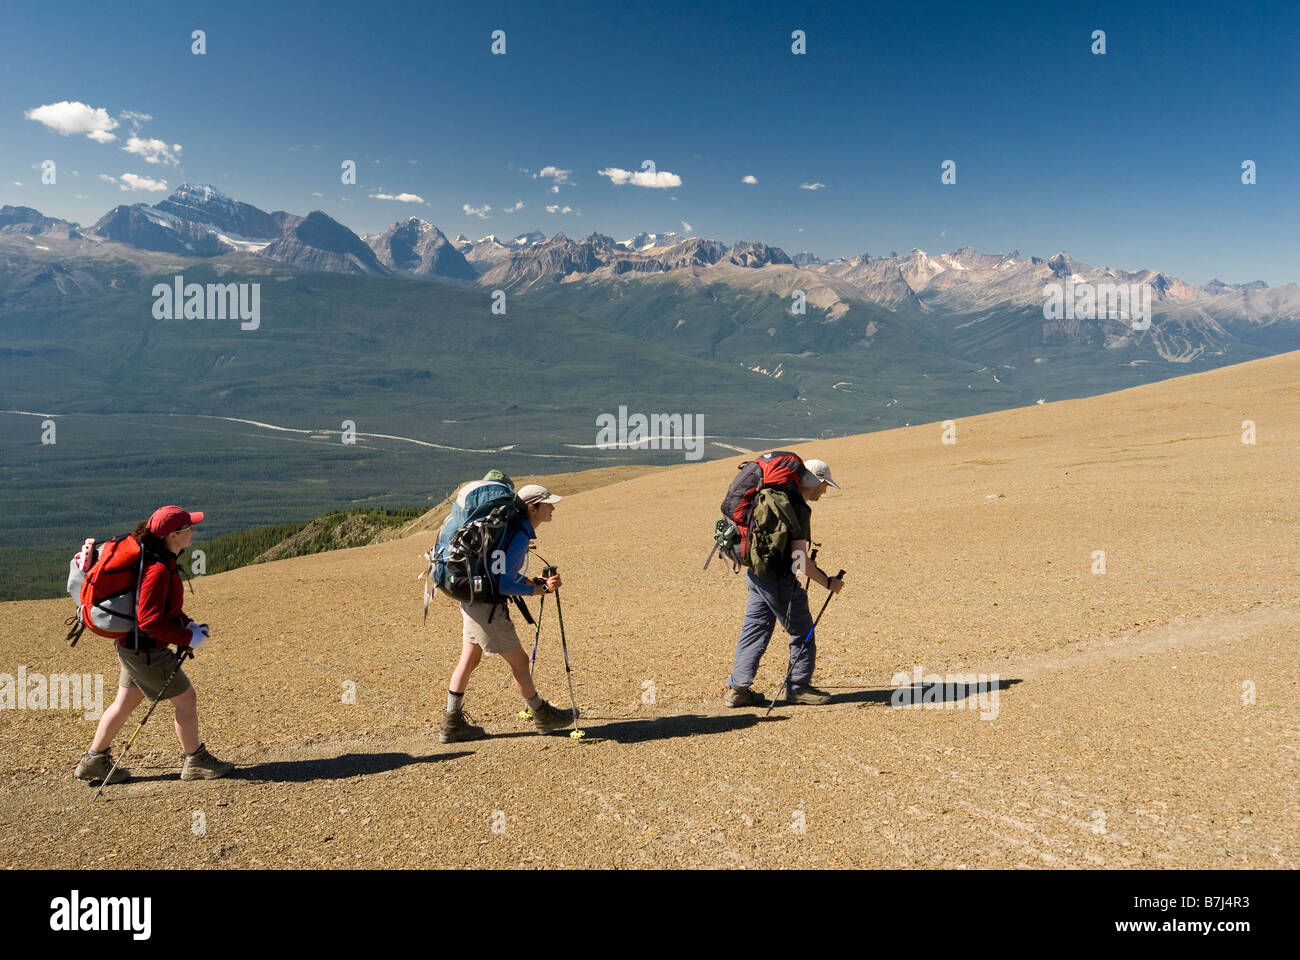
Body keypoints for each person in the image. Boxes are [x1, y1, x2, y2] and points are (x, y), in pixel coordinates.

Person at [73, 505, 235, 784]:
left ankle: (94, 761)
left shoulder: (157, 559)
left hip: (131, 646)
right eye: (188, 528)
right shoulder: (158, 569)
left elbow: (163, 610)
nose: (193, 531)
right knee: (186, 700)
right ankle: (195, 761)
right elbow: (149, 620)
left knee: (124, 702)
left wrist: (187, 624)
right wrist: (188, 637)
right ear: (173, 535)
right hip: (147, 650)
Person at [440, 483, 577, 741]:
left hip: (471, 597)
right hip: (488, 609)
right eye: (547, 504)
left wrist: (531, 583)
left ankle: (452, 722)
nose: (553, 508)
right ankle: (541, 715)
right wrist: (540, 591)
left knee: (469, 659)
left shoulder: (510, 531)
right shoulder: (518, 536)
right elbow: (503, 584)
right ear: (532, 508)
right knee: (521, 662)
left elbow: (501, 574)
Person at [724, 458, 845, 707]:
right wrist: (827, 582)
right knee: (803, 631)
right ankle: (798, 688)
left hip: (757, 574)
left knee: (754, 629)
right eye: (824, 485)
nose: (825, 491)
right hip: (779, 580)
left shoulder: (768, 498)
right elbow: (800, 561)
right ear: (815, 481)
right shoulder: (797, 508)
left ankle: (738, 689)